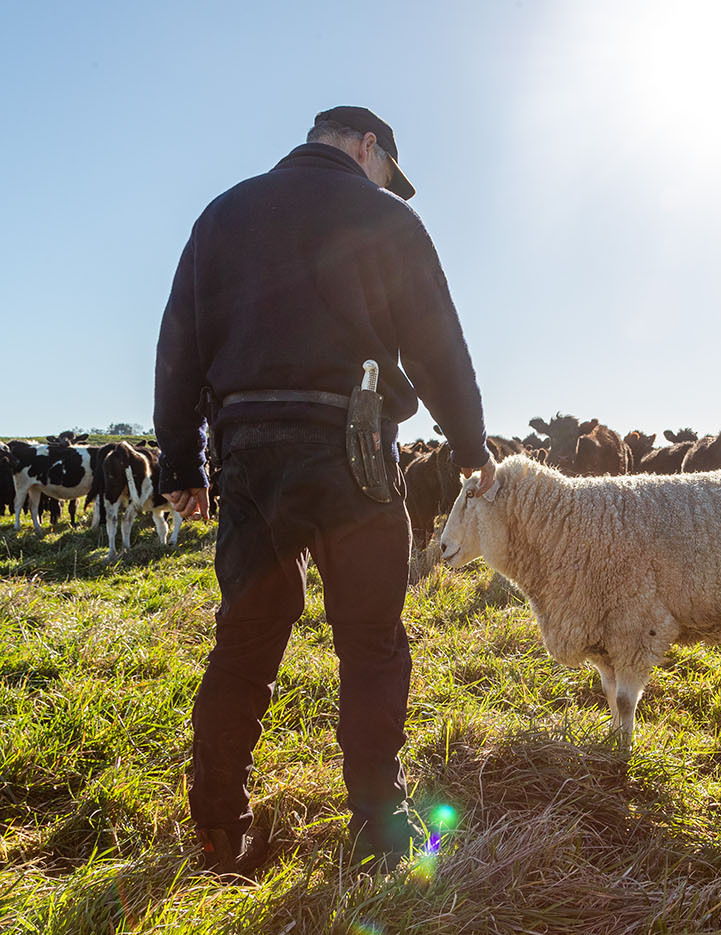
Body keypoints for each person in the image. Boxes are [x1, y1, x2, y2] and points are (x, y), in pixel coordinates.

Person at [154, 105, 495, 877]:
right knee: (371, 642)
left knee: (244, 640)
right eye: (388, 172)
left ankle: (219, 831)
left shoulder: (222, 215)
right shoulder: (382, 220)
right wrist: (470, 448)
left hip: (248, 458)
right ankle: (380, 825)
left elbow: (178, 344)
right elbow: (437, 342)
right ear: (366, 146)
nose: (389, 187)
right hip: (355, 451)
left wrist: (182, 465)